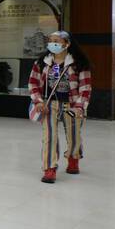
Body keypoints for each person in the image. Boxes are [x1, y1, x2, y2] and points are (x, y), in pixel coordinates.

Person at [27, 30, 92, 184]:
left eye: (56, 40)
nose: (52, 43)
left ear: (67, 44)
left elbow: (85, 88)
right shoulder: (42, 62)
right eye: (50, 40)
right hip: (49, 105)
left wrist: (79, 107)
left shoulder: (79, 63)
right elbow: (33, 83)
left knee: (74, 134)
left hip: (72, 105)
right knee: (49, 136)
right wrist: (38, 101)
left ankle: (73, 158)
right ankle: (50, 169)